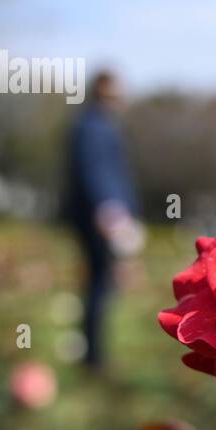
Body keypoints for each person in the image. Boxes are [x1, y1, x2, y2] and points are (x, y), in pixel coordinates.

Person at [62, 70, 143, 369]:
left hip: (102, 214)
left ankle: (94, 353)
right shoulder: (93, 127)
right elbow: (97, 173)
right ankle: (94, 357)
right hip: (101, 217)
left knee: (101, 283)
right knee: (99, 283)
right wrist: (110, 211)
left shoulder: (97, 125)